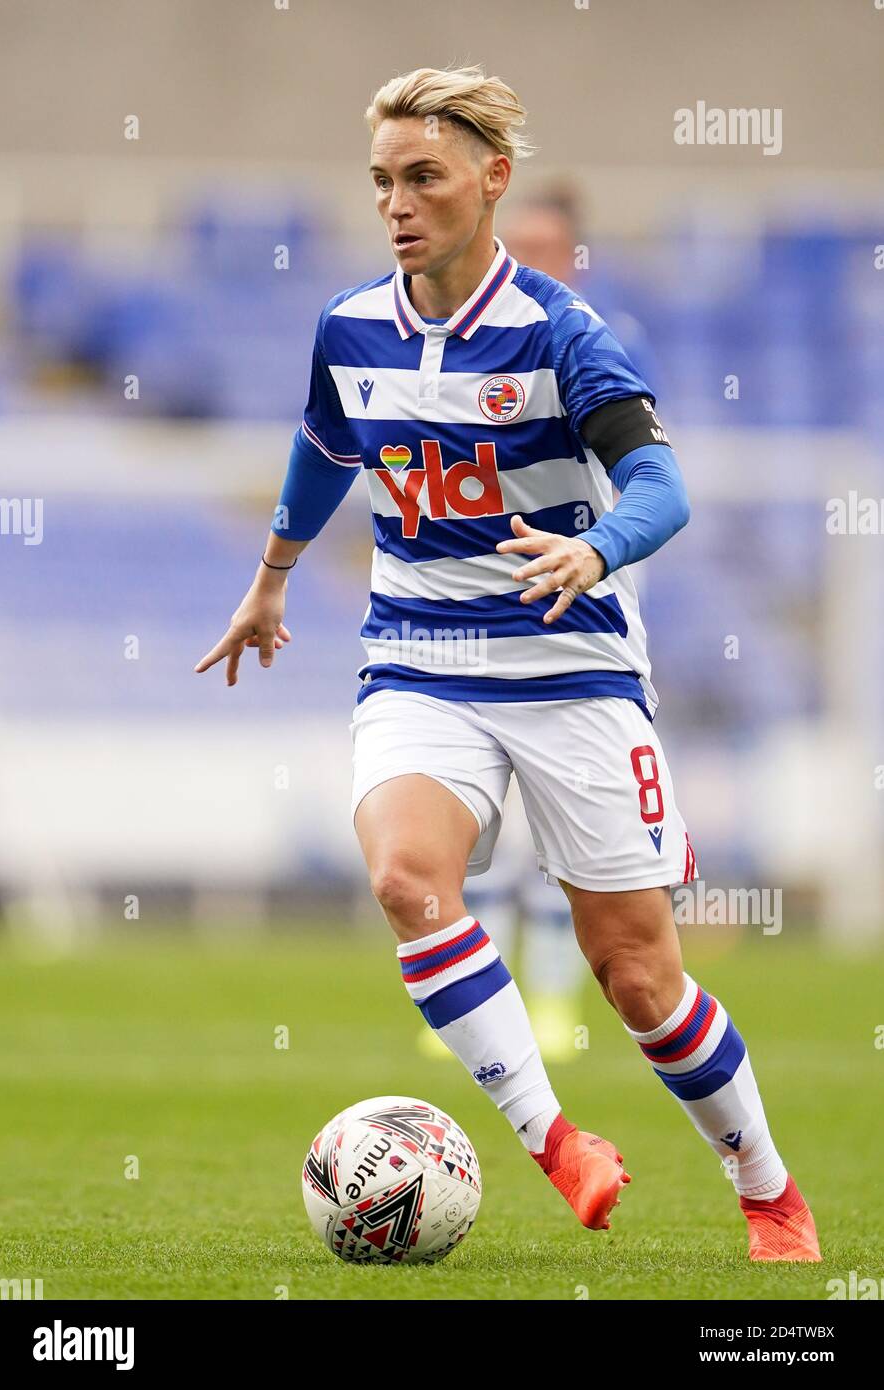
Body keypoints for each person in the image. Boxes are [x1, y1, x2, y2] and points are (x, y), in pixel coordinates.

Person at [196, 65, 819, 1260]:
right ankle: (555, 1141)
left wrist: (594, 550)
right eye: (382, 180)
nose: (398, 202)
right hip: (418, 660)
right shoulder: (349, 322)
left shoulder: (560, 331)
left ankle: (766, 1186)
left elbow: (660, 484)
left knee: (638, 978)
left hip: (571, 671)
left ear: (492, 181)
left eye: (423, 176)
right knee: (404, 881)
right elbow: (328, 443)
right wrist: (272, 575)